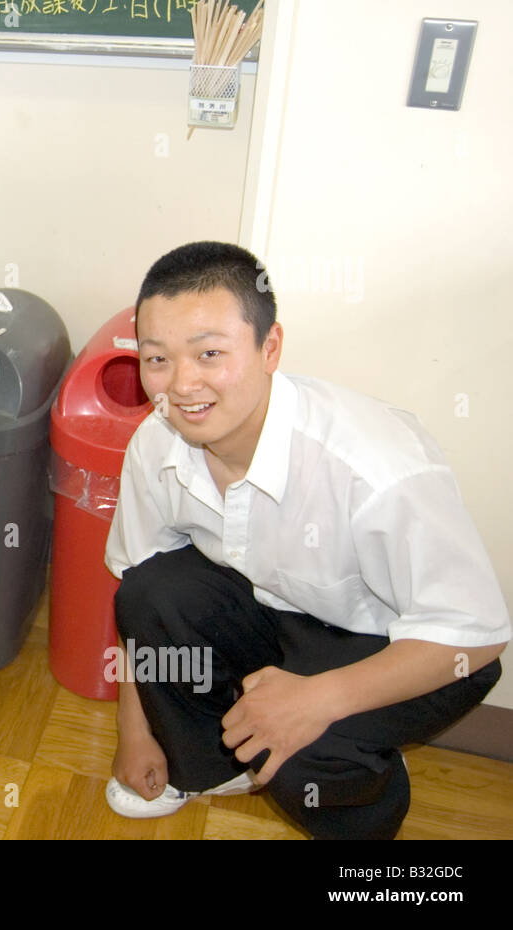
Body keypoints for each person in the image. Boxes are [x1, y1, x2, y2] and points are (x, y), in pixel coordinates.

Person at [102, 241, 509, 839]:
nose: (182, 385)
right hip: (281, 611)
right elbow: (138, 586)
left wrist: (319, 701)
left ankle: (363, 817)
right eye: (157, 359)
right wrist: (134, 731)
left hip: (400, 646)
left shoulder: (373, 466)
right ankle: (213, 767)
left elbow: (477, 636)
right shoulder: (157, 442)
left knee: (302, 756)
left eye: (210, 353)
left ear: (270, 348)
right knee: (149, 590)